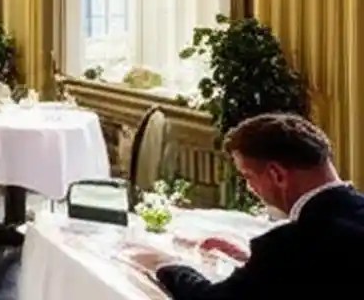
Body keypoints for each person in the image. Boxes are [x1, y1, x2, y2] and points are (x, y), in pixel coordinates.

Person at [128, 113, 364, 299]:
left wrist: (166, 264)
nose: (250, 188)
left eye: (247, 176)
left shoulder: (289, 245)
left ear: (276, 174)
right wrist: (250, 261)